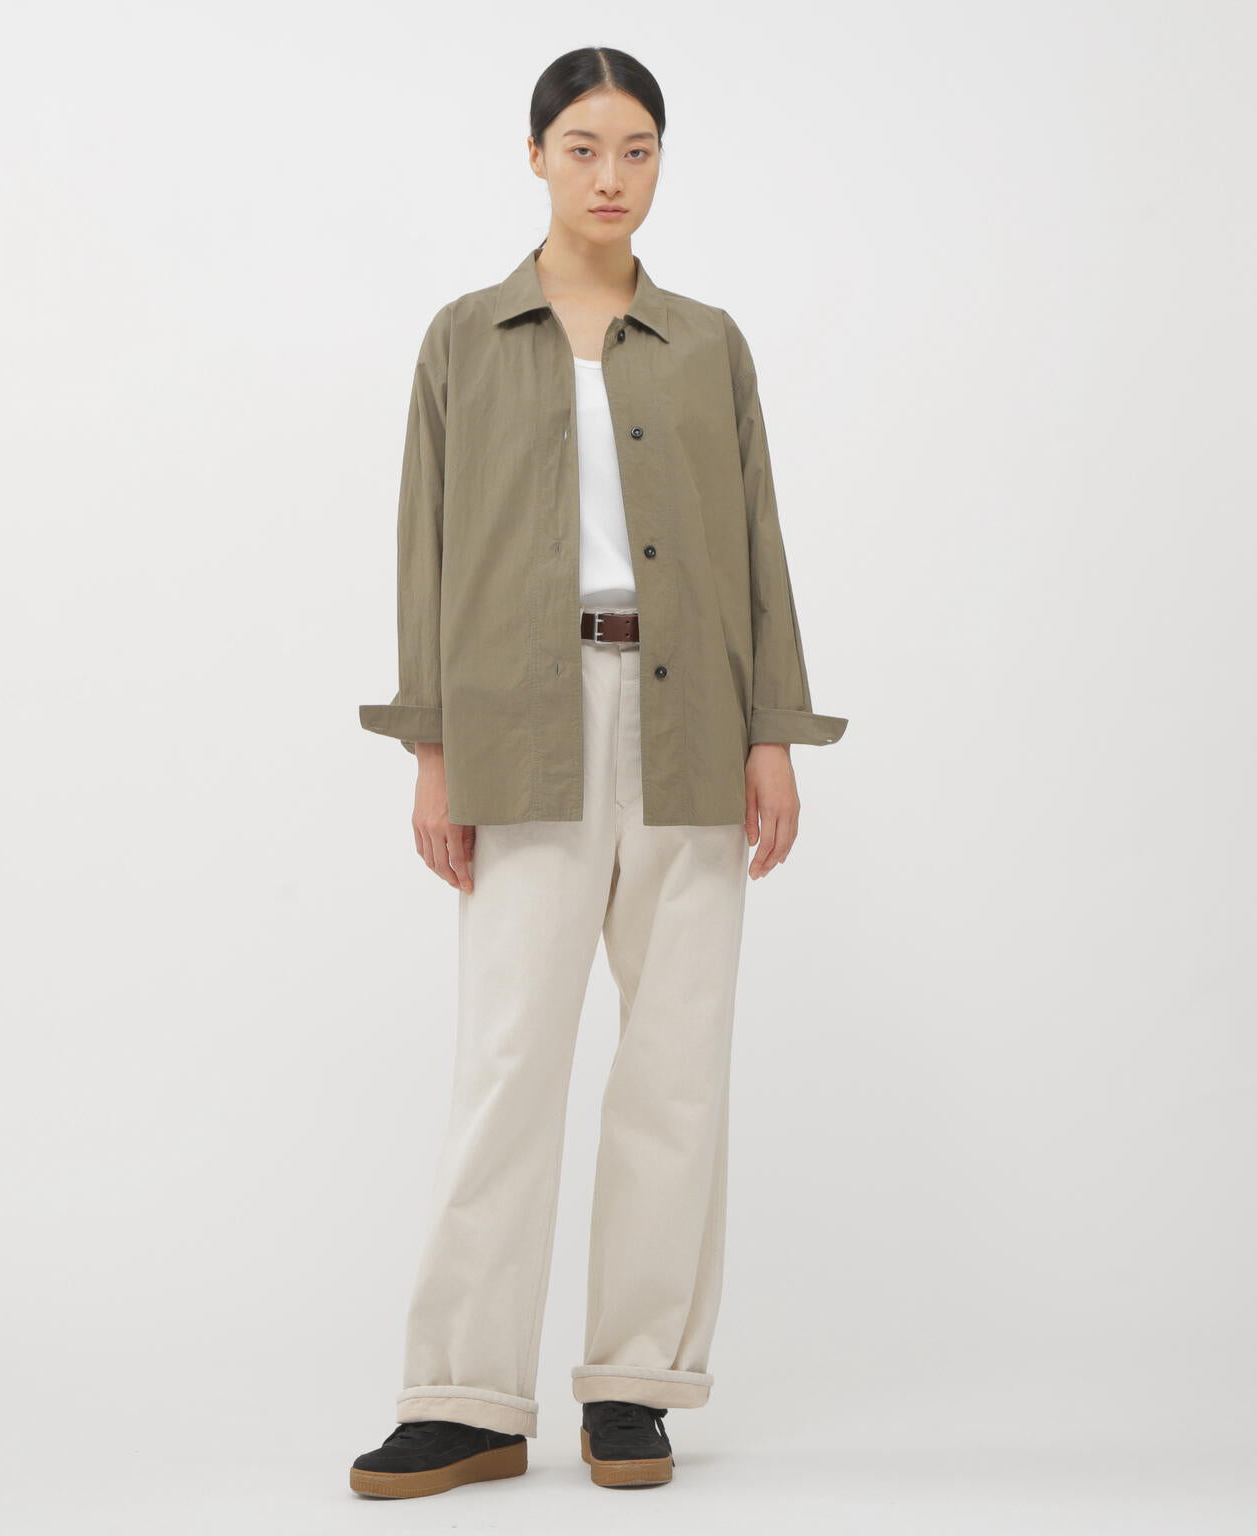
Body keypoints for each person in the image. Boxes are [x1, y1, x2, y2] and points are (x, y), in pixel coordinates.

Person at [349, 45, 847, 1499]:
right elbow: (425, 549)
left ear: (660, 161)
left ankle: (634, 1388)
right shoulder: (463, 338)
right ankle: (464, 1398)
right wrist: (433, 749)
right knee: (508, 1059)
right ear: (535, 157)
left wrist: (773, 731)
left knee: (675, 1065)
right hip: (520, 720)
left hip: (693, 720)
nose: (611, 176)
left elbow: (758, 542)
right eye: (583, 147)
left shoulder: (709, 345)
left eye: (636, 149)